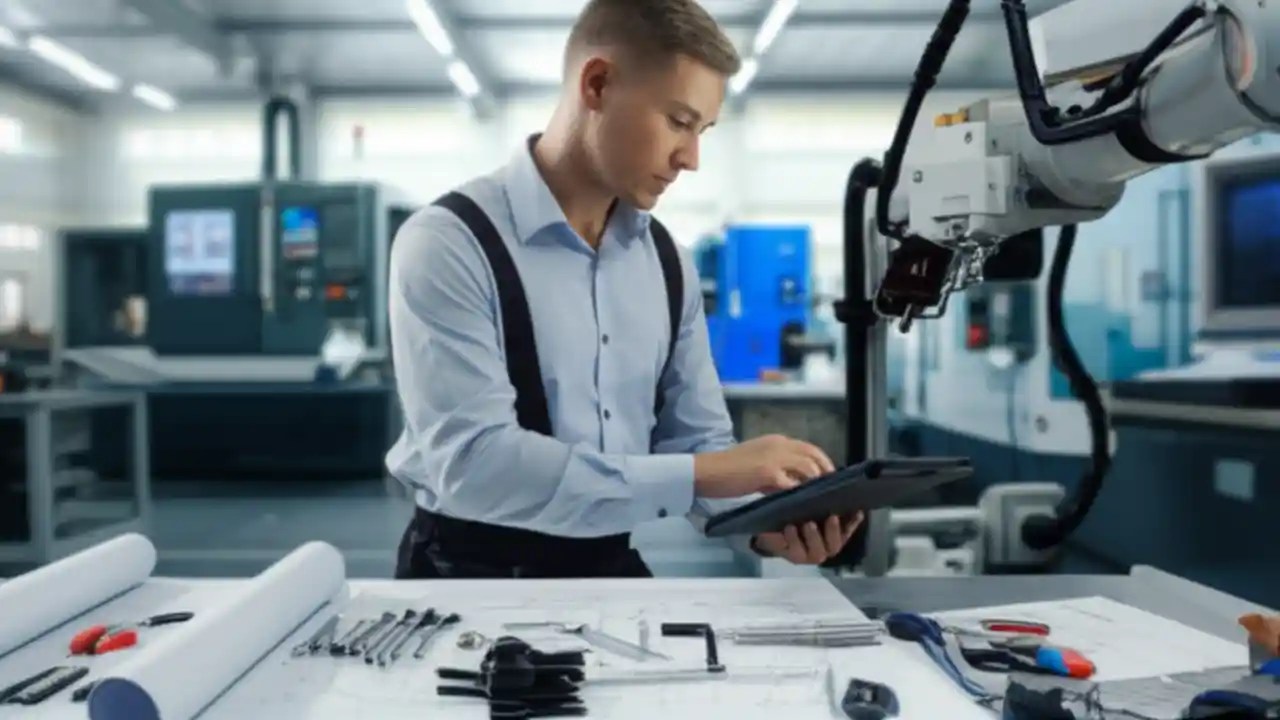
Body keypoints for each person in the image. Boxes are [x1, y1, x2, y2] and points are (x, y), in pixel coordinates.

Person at [386, 0, 863, 579]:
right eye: (679, 122)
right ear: (597, 84)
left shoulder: (665, 262)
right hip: (465, 579)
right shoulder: (450, 243)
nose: (690, 159)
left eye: (703, 131)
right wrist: (709, 473)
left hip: (608, 566)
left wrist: (766, 525)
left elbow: (698, 440)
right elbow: (475, 464)